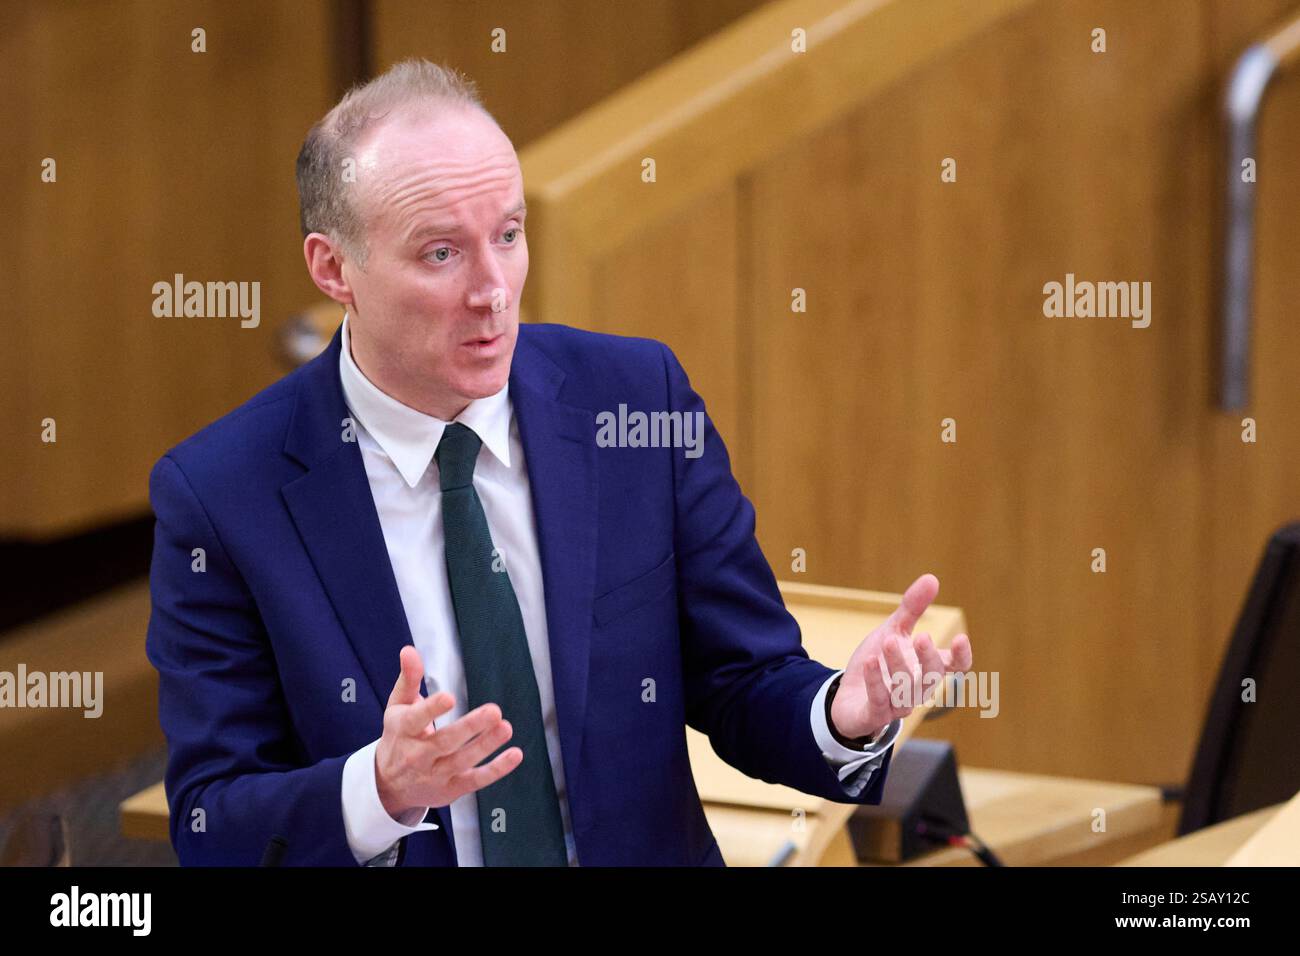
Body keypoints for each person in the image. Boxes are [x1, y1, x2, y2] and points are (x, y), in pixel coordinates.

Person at [145, 59, 973, 866]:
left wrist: (843, 711)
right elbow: (212, 822)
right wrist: (379, 791)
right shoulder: (222, 495)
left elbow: (743, 678)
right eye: (441, 254)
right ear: (334, 269)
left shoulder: (637, 401)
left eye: (508, 235)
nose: (494, 290)